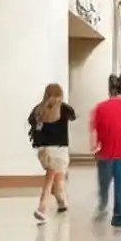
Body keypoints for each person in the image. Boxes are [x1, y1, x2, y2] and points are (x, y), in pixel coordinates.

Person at [90, 77, 121, 229]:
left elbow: (95, 129)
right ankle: (119, 217)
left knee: (104, 183)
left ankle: (103, 205)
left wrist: (94, 147)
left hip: (105, 153)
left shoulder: (100, 107)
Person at [28, 83, 76, 224]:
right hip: (59, 150)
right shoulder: (64, 109)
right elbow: (73, 115)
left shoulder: (38, 110)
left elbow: (31, 123)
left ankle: (62, 203)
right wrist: (59, 103)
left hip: (43, 152)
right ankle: (42, 208)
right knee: (51, 180)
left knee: (58, 178)